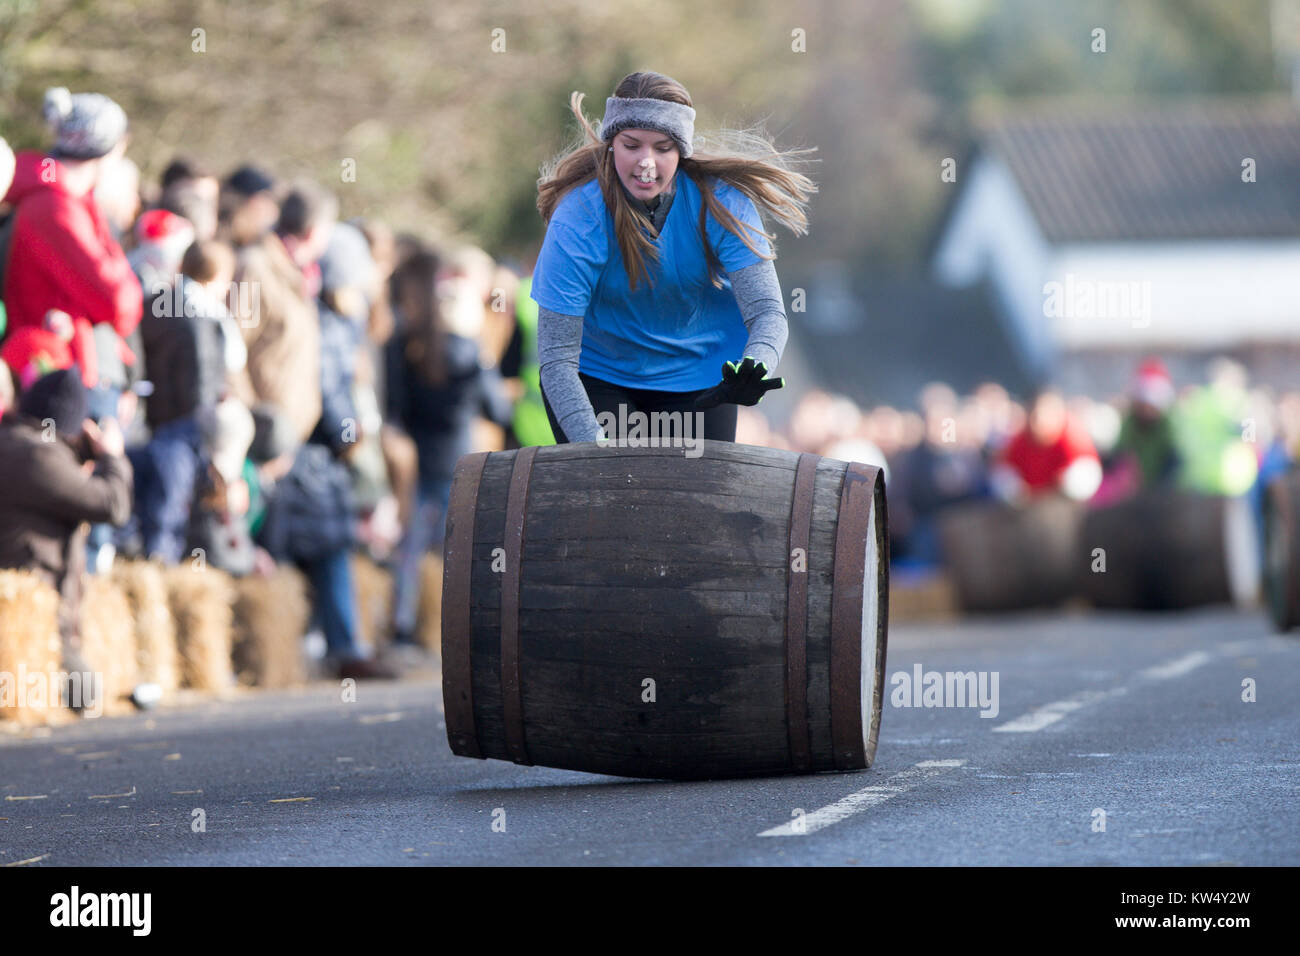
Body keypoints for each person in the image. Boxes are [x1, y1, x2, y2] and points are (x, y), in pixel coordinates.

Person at [530, 70, 816, 446]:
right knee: (618, 494)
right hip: (599, 378)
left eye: (663, 148)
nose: (646, 162)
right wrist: (592, 451)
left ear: (681, 151)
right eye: (632, 145)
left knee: (690, 504)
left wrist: (755, 364)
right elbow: (556, 358)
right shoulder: (577, 218)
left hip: (698, 383)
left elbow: (767, 313)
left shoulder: (724, 203)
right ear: (611, 143)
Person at [385, 247, 513, 646]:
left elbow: (398, 407)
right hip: (461, 467)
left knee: (411, 551)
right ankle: (455, 632)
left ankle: (403, 627)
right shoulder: (475, 355)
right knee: (456, 555)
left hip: (421, 463)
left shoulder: (412, 350)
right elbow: (498, 409)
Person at [0, 369, 132, 710]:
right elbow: (113, 504)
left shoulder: (15, 443)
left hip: (23, 617)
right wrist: (112, 456)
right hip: (37, 626)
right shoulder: (39, 455)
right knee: (86, 695)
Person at [1, 89, 142, 389]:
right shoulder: (55, 207)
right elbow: (116, 301)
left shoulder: (67, 199)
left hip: (59, 364)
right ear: (106, 149)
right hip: (51, 369)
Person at [992, 388, 1101, 503]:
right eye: (1035, 414)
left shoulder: (1073, 437)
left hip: (1064, 503)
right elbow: (1003, 472)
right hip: (1029, 503)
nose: (1039, 421)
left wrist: (1064, 484)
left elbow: (1087, 473)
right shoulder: (1019, 439)